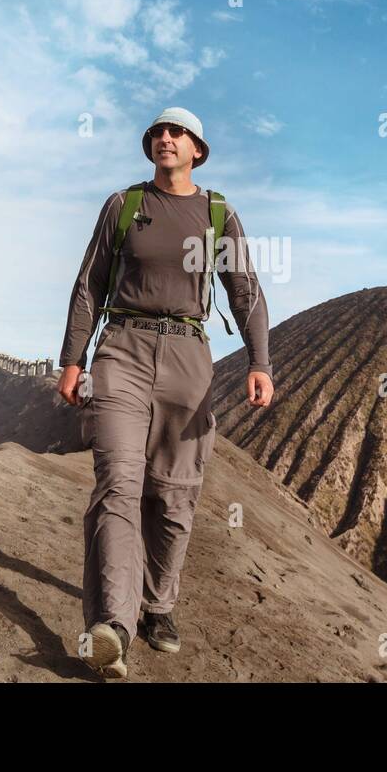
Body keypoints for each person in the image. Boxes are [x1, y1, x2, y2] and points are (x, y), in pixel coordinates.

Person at [57, 106, 274, 679]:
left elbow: (244, 290)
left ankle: (158, 605)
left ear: (198, 149)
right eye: (157, 132)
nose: (165, 139)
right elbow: (90, 284)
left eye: (177, 133)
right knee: (118, 484)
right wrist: (73, 359)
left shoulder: (217, 215)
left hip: (187, 355)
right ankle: (112, 627)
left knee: (175, 496)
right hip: (123, 348)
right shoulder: (125, 206)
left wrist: (261, 362)